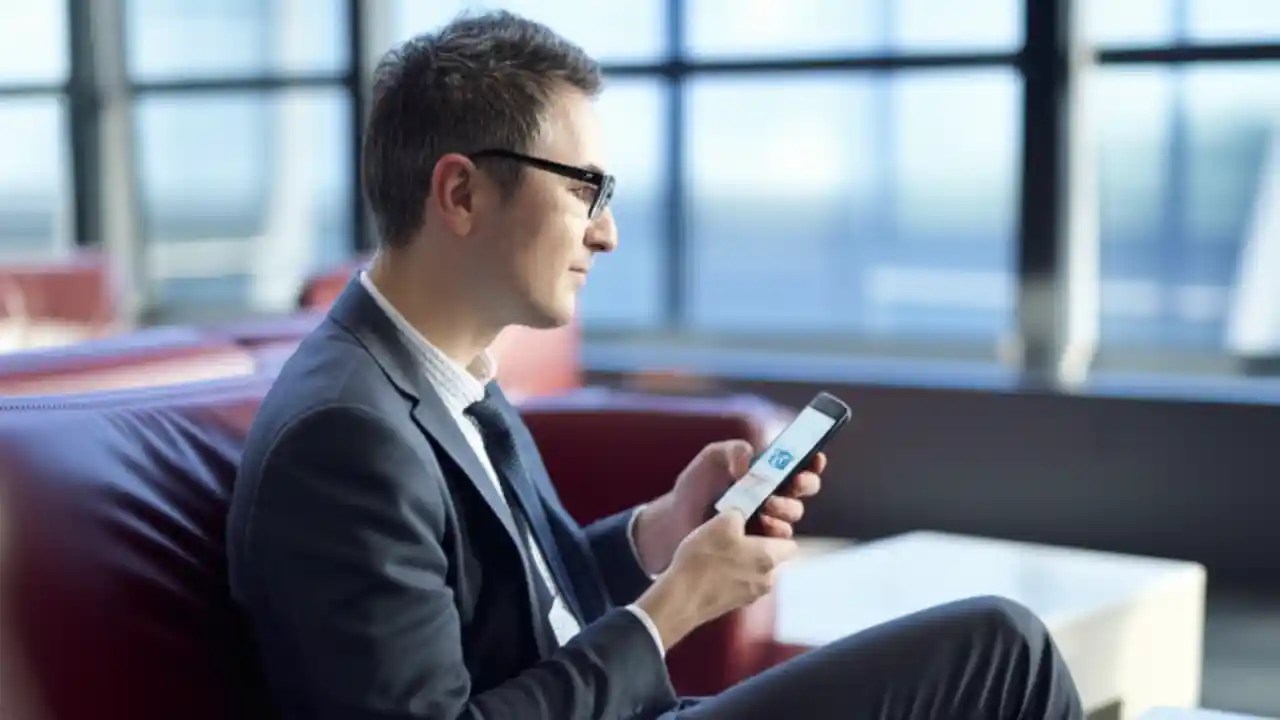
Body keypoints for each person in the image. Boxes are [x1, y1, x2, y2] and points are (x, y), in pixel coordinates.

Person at [227, 10, 1084, 720]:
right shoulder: (345, 437)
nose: (606, 232)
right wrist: (674, 606)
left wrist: (660, 534)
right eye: (584, 191)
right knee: (1001, 653)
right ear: (460, 194)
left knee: (1001, 649)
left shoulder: (444, 376)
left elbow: (532, 609)